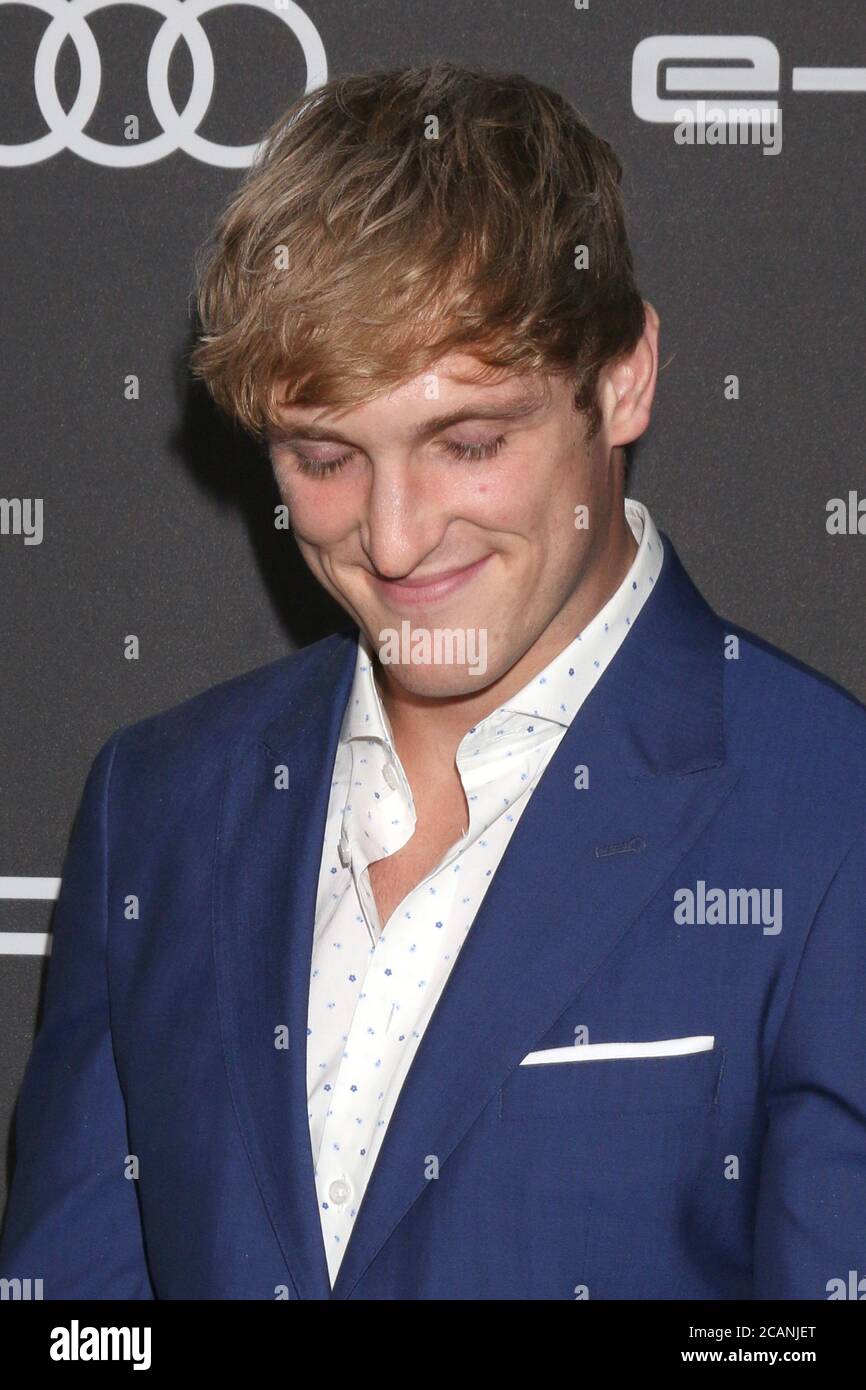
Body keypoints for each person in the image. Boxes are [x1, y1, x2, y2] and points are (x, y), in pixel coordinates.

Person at [2, 60, 865, 1301]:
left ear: (621, 375)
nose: (394, 537)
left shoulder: (827, 816)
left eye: (466, 443)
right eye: (323, 455)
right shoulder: (159, 805)